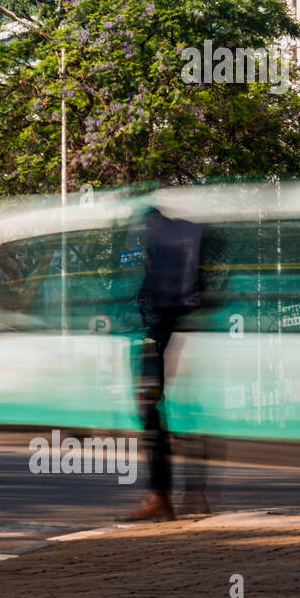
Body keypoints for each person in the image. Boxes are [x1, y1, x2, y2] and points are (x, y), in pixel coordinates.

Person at [119, 207, 219, 522]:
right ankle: (195, 493)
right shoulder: (190, 234)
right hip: (187, 328)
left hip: (162, 333)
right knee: (187, 413)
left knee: (150, 413)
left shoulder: (157, 242)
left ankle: (160, 497)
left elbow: (154, 292)